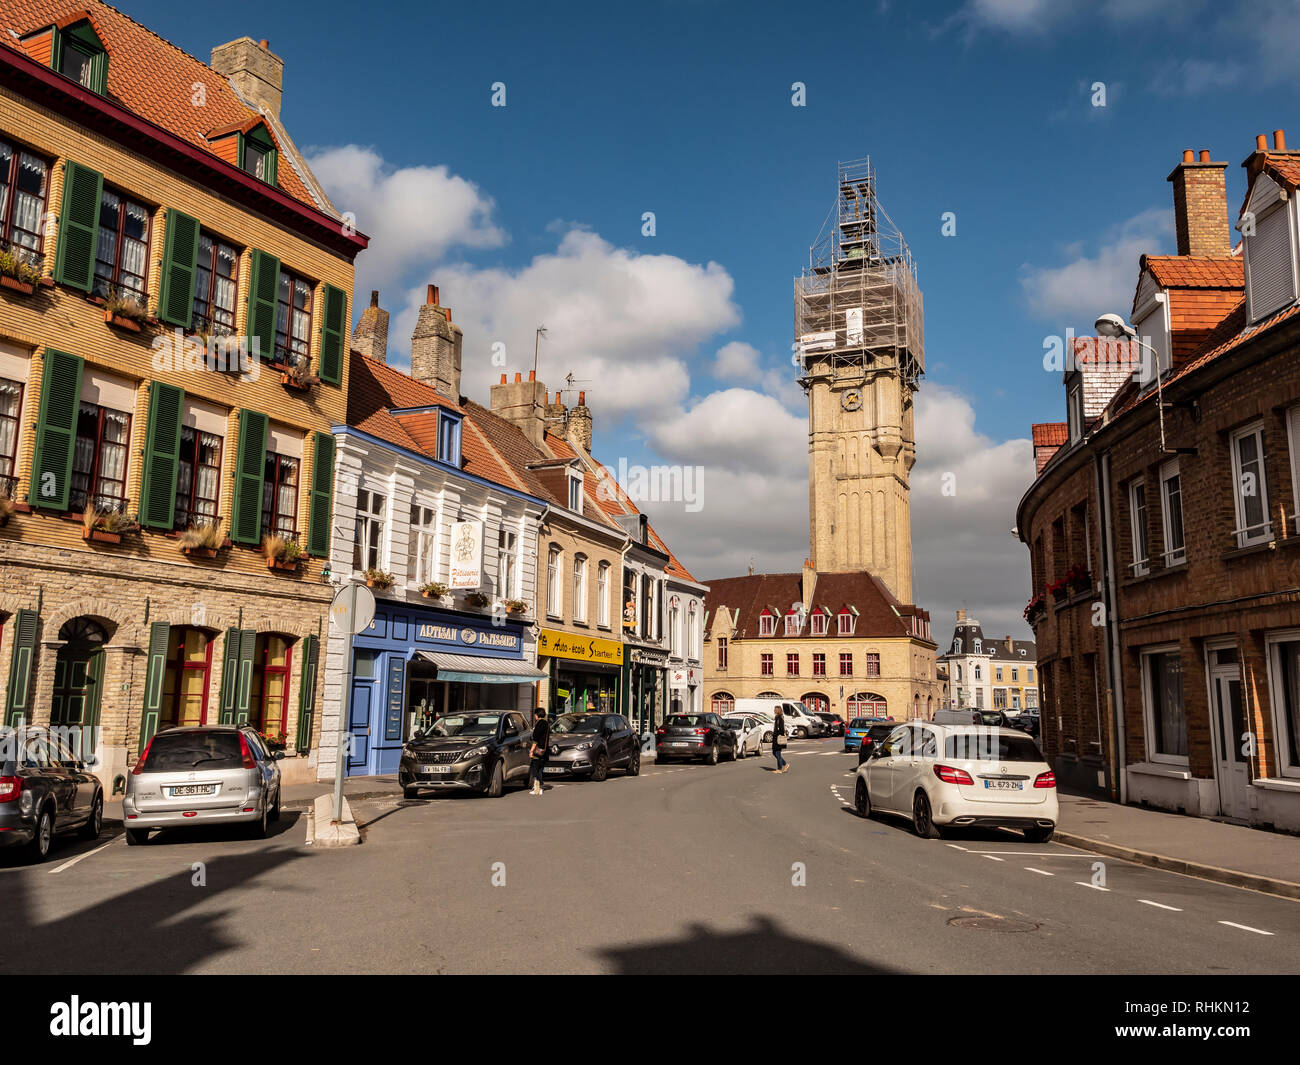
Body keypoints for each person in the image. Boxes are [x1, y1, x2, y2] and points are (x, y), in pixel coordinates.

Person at [528, 708, 550, 795]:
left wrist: (531, 751)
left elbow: (535, 739)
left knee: (534, 769)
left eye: (535, 714)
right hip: (544, 751)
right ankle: (540, 788)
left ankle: (537, 788)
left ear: (537, 715)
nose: (534, 716)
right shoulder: (546, 724)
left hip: (537, 751)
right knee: (540, 769)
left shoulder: (539, 724)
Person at [772, 704, 788, 773]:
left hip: (778, 738)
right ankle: (785, 764)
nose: (774, 710)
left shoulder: (779, 718)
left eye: (775, 709)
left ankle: (779, 769)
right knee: (774, 752)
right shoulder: (777, 717)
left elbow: (781, 728)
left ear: (777, 710)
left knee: (777, 753)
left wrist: (778, 734)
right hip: (776, 737)